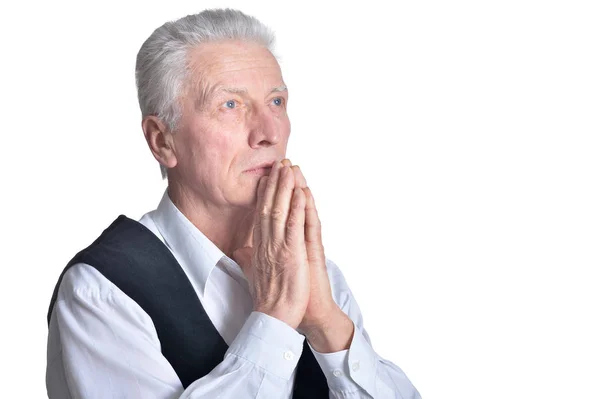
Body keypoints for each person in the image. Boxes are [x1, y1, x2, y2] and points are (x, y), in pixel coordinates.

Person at [46, 8, 421, 399]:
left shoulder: (313, 271)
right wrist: (275, 319)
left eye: (276, 102)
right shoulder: (102, 291)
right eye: (231, 105)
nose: (269, 132)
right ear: (162, 140)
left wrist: (327, 324)